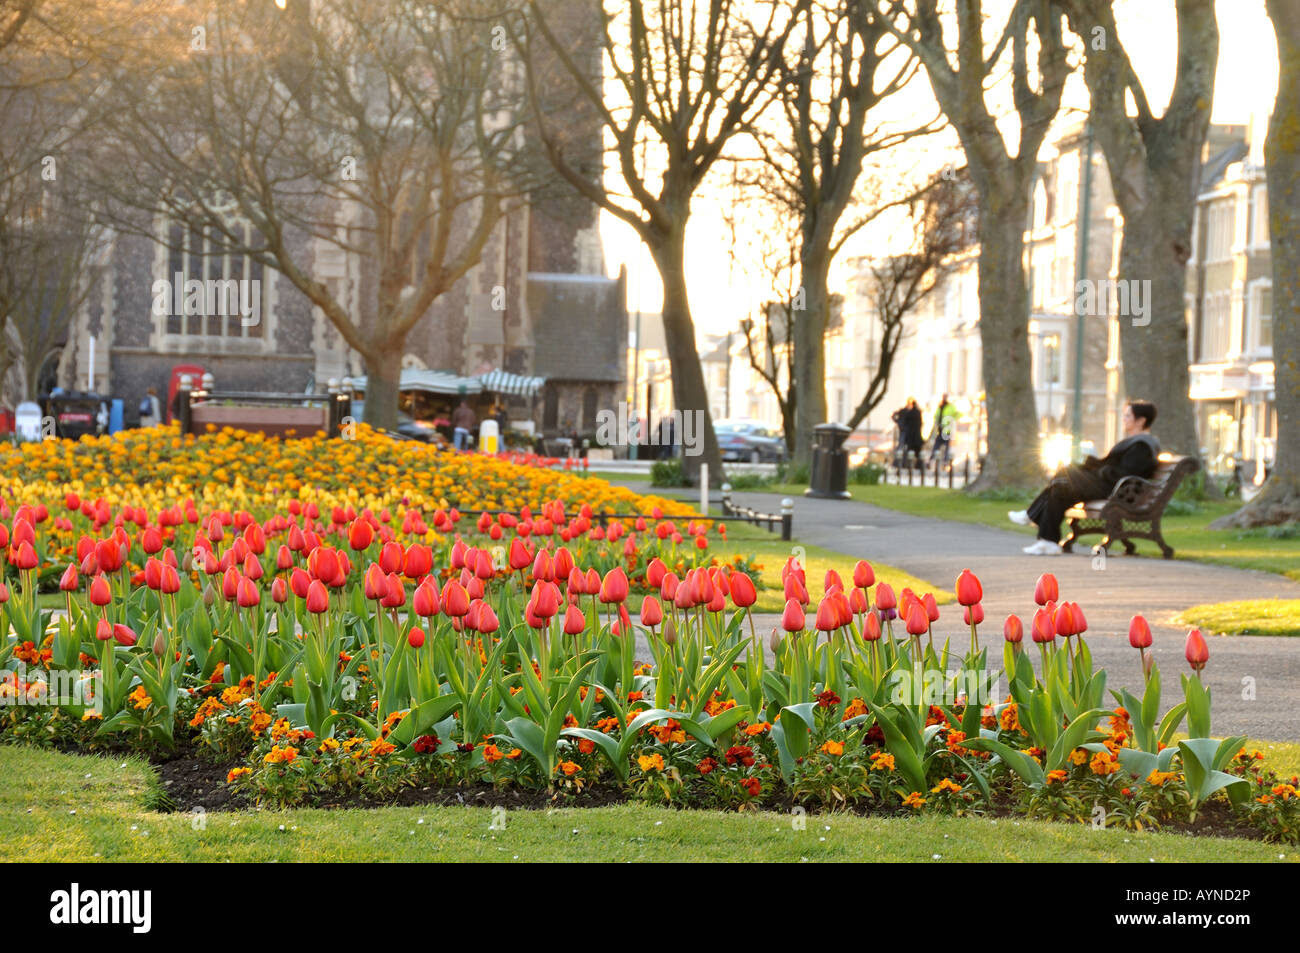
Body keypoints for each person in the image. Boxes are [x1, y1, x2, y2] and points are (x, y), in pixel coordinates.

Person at [1009, 400, 1161, 555]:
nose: (1124, 419)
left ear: (1141, 421)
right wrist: (1094, 465)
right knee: (1060, 487)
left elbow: (1127, 474)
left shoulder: (1142, 446)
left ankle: (1032, 517)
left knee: (1065, 476)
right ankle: (1047, 542)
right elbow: (1115, 468)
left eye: (1128, 416)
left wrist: (1100, 470)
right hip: (1110, 485)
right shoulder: (1137, 442)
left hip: (1118, 491)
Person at [892, 398, 924, 468]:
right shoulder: (904, 411)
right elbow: (895, 416)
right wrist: (899, 423)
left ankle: (905, 463)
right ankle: (899, 463)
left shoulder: (913, 412)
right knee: (902, 447)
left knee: (908, 449)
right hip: (907, 433)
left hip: (911, 434)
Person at [929, 394, 959, 465]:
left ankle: (945, 461)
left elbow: (957, 414)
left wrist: (950, 421)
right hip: (940, 429)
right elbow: (936, 416)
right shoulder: (940, 406)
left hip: (946, 429)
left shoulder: (950, 407)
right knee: (937, 445)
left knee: (944, 446)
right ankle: (932, 459)